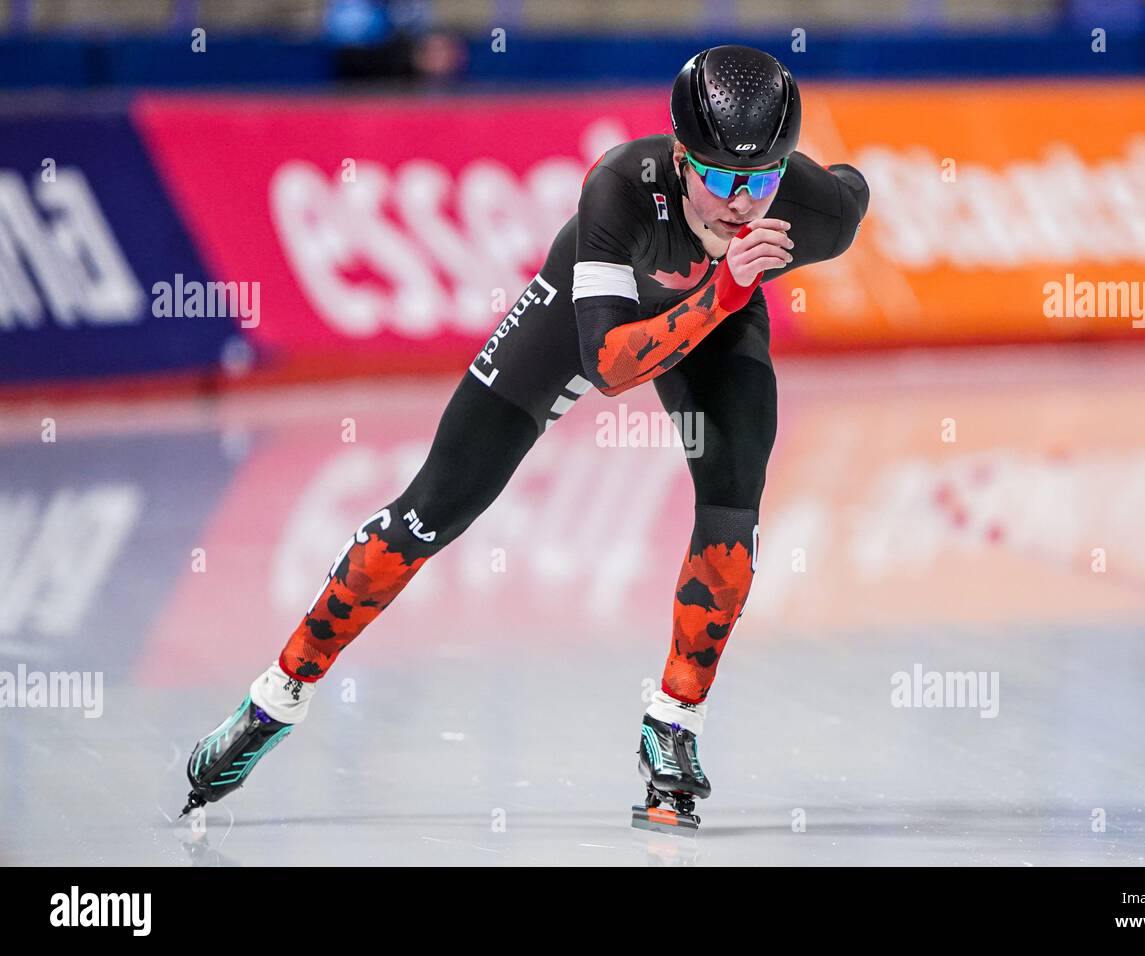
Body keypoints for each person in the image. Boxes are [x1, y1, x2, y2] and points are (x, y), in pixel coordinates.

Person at [181, 44, 870, 829]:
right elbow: (608, 367)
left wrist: (730, 288)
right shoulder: (619, 188)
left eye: (763, 180)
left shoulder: (812, 213)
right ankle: (277, 696)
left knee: (733, 501)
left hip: (721, 311)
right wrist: (726, 289)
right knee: (432, 508)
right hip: (591, 319)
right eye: (718, 178)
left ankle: (675, 726)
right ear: (680, 159)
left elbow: (853, 190)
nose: (742, 204)